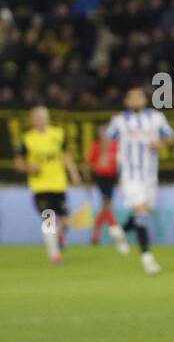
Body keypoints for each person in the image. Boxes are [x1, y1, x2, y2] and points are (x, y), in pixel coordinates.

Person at [105, 88, 174, 275]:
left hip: (150, 175)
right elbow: (107, 139)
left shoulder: (156, 118)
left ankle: (120, 229)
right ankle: (147, 258)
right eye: (132, 96)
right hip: (130, 174)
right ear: (126, 102)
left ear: (144, 100)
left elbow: (170, 136)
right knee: (141, 212)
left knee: (144, 212)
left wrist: (161, 144)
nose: (136, 99)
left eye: (139, 96)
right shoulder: (119, 121)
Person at [15, 105, 81, 265]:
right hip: (40, 187)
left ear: (47, 117)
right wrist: (28, 167)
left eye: (41, 116)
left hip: (59, 185)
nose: (39, 119)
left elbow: (66, 155)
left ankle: (59, 237)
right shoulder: (27, 139)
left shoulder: (58, 134)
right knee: (49, 219)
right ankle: (54, 255)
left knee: (65, 222)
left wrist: (73, 173)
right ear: (32, 120)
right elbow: (18, 162)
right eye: (36, 117)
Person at [85, 124, 129, 254]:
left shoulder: (115, 146)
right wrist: (88, 180)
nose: (104, 135)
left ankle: (95, 237)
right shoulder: (96, 146)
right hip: (101, 179)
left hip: (111, 179)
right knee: (107, 206)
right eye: (102, 132)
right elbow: (88, 164)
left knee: (106, 208)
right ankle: (117, 236)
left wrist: (122, 178)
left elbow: (121, 163)